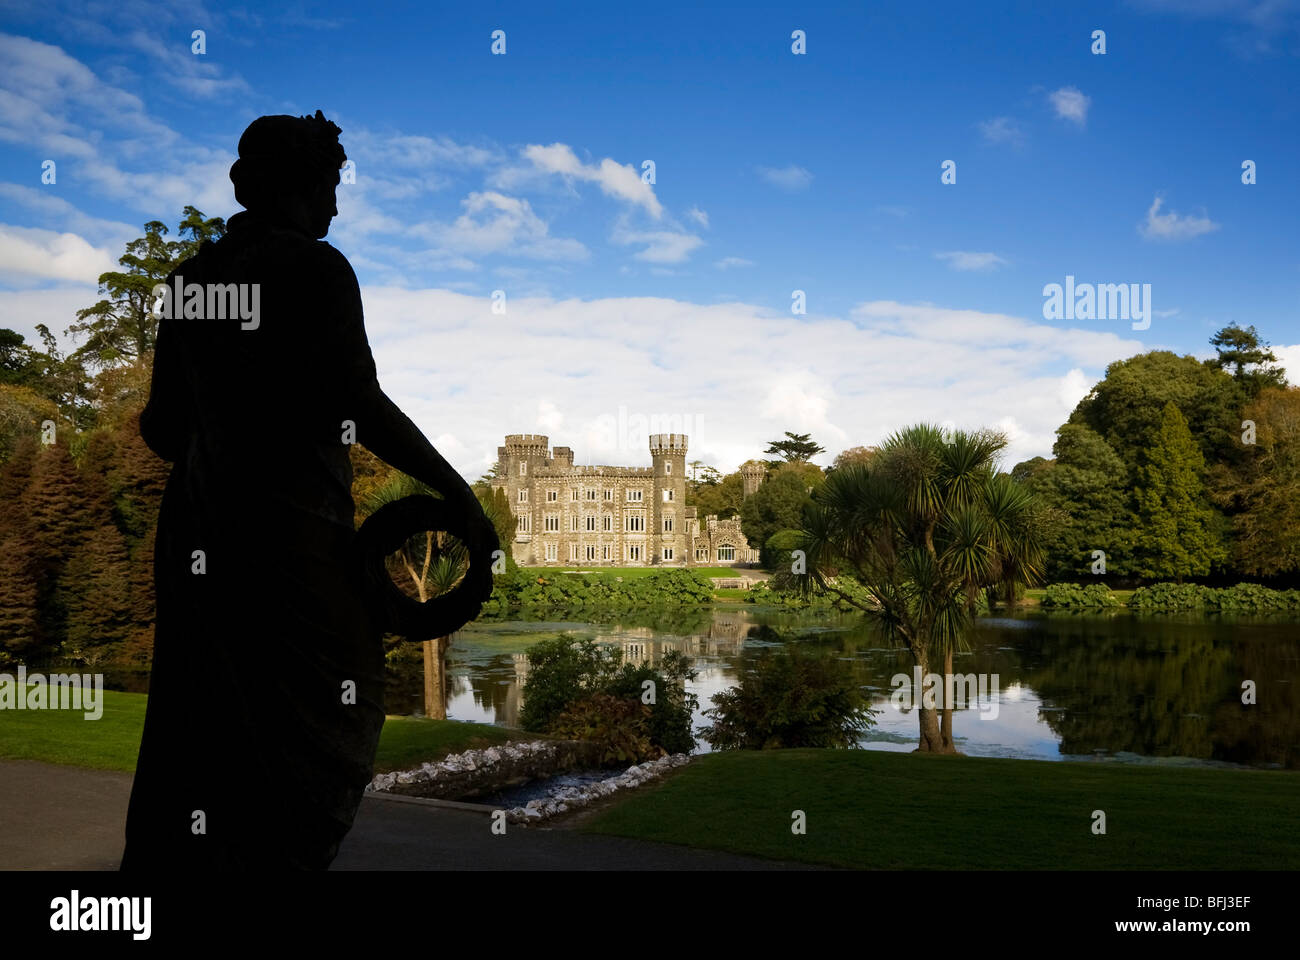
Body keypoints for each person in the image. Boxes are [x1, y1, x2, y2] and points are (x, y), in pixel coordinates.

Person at [121, 110, 497, 869]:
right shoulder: (315, 270)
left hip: (201, 525)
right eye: (326, 185)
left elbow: (162, 426)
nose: (335, 205)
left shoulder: (192, 282)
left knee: (203, 712)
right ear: (287, 185)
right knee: (325, 704)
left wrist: (227, 428)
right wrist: (455, 488)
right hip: (291, 530)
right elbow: (360, 401)